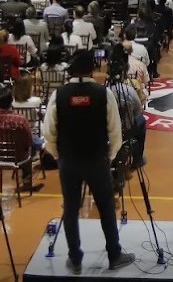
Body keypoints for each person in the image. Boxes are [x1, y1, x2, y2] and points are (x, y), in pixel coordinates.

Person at [42, 50, 135, 273]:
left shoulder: (59, 95)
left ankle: (75, 258)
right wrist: (108, 157)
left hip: (69, 162)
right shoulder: (104, 94)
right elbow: (115, 132)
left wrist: (59, 156)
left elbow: (48, 131)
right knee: (105, 207)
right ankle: (114, 254)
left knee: (71, 209)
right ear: (92, 69)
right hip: (97, 160)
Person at [0, 87, 43, 189]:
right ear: (11, 100)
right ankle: (27, 181)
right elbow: (29, 141)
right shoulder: (20, 120)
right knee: (32, 147)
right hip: (18, 156)